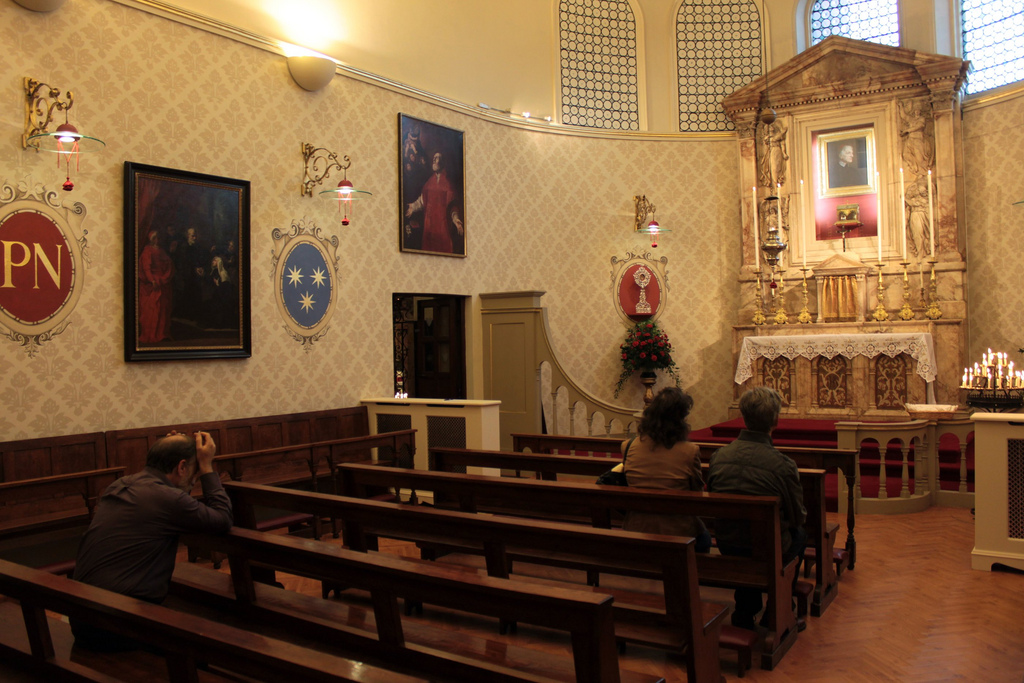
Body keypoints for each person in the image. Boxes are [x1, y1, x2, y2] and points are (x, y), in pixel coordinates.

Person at [71, 431, 233, 651]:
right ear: (182, 467)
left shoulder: (119, 485)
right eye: (193, 472)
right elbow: (223, 520)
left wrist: (172, 447)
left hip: (83, 616)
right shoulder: (169, 498)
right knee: (211, 638)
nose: (193, 480)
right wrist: (207, 467)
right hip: (117, 624)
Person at [707, 386, 806, 631]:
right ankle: (778, 607)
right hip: (767, 547)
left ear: (744, 416)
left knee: (744, 535)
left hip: (728, 542)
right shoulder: (782, 465)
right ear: (775, 420)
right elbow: (797, 516)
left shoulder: (719, 456)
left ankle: (745, 609)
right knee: (800, 536)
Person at [610, 387, 712, 551]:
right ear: (680, 420)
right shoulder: (690, 451)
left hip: (637, 527)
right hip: (679, 532)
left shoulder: (628, 446)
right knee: (705, 540)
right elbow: (696, 495)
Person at [405, 151, 463, 254]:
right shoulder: (429, 182)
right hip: (429, 226)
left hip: (442, 226)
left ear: (442, 162)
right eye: (434, 157)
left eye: (437, 157)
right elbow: (422, 201)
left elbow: (452, 207)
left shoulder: (448, 185)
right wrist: (413, 207)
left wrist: (456, 219)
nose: (434, 159)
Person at [137, 230, 174, 343]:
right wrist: (152, 280)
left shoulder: (162, 251)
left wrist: (164, 278)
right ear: (151, 239)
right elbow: (146, 268)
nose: (157, 240)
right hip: (152, 285)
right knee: (152, 310)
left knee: (163, 310)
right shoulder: (147, 251)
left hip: (162, 283)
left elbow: (169, 265)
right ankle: (151, 335)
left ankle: (162, 334)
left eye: (158, 238)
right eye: (154, 238)